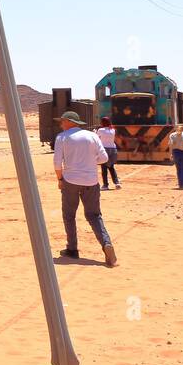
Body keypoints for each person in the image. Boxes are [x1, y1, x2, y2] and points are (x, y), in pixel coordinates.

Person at [53, 111, 116, 267]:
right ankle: (106, 243)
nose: (61, 124)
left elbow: (56, 163)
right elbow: (104, 159)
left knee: (69, 215)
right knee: (94, 215)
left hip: (70, 181)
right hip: (91, 181)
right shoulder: (92, 136)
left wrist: (60, 179)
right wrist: (89, 161)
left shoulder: (62, 137)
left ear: (68, 122)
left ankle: (72, 249)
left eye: (62, 121)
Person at [95, 116, 121, 190]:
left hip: (104, 149)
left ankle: (105, 185)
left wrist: (94, 132)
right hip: (113, 149)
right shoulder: (112, 130)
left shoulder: (100, 130)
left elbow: (96, 138)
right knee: (111, 167)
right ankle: (117, 183)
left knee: (104, 168)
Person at [171, 123, 183, 190]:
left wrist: (171, 154)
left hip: (176, 152)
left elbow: (171, 145)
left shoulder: (172, 135)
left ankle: (181, 185)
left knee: (179, 169)